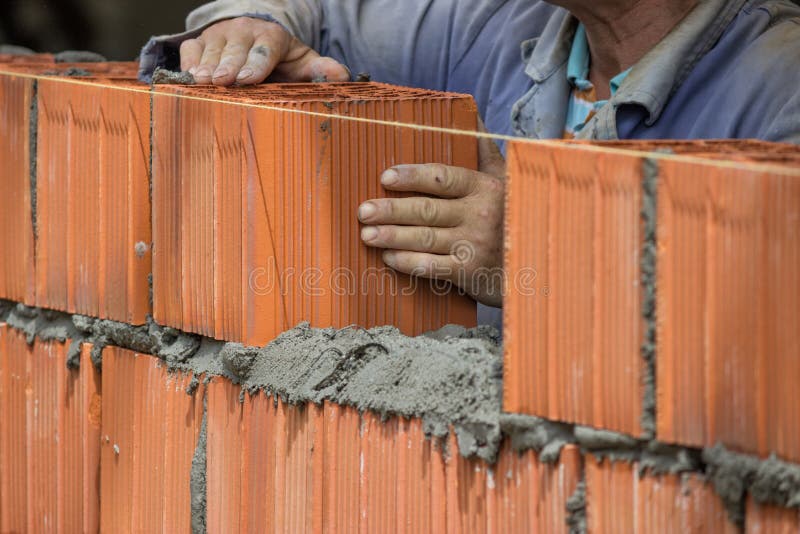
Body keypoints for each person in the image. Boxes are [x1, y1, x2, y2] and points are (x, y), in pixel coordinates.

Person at [139, 0, 800, 329]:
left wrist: (553, 251)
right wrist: (248, 26)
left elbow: (768, 330)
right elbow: (313, 13)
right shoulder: (503, 22)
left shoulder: (779, 82)